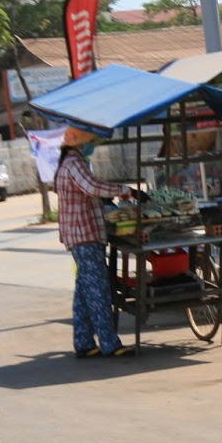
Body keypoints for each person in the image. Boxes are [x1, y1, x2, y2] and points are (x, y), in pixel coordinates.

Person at [55, 126, 138, 358]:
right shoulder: (73, 163)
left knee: (84, 291)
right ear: (81, 142)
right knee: (98, 291)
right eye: (91, 141)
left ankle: (83, 342)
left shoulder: (71, 161)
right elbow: (91, 187)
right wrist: (126, 190)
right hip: (84, 236)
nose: (93, 145)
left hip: (81, 234)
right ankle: (110, 344)